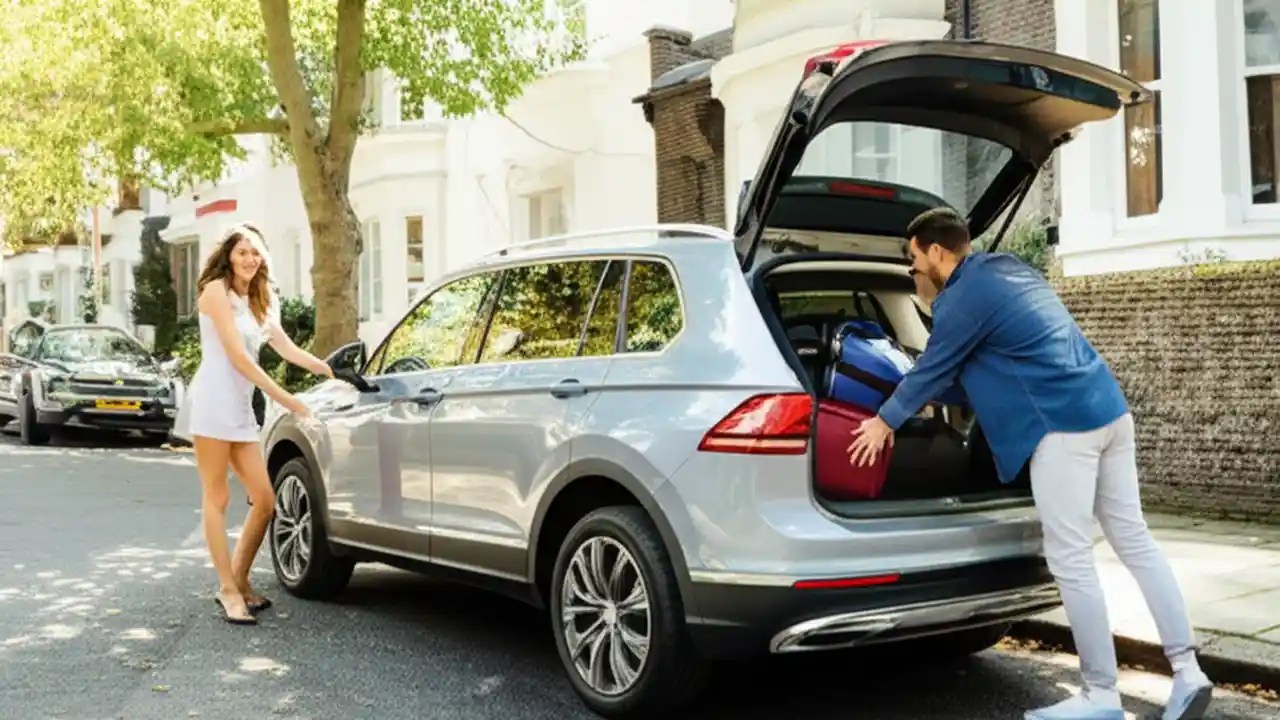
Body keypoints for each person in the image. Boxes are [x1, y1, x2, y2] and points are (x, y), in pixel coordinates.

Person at [846, 208, 1213, 720]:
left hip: (1062, 429)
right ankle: (1187, 669)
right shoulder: (1010, 271)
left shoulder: (960, 300)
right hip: (1108, 410)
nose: (913, 272)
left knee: (1071, 559)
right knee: (1135, 541)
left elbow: (933, 368)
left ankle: (1100, 696)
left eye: (912, 260)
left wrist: (884, 421)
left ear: (936, 251)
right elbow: (980, 365)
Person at [176, 223, 332, 625]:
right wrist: (289, 401)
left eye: (256, 251)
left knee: (264, 499)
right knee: (218, 498)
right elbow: (238, 358)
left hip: (241, 410)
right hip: (212, 403)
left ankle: (240, 580)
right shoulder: (214, 291)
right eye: (242, 251)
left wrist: (327, 368)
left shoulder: (262, 299)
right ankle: (228, 590)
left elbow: (285, 346)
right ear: (228, 254)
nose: (250, 258)